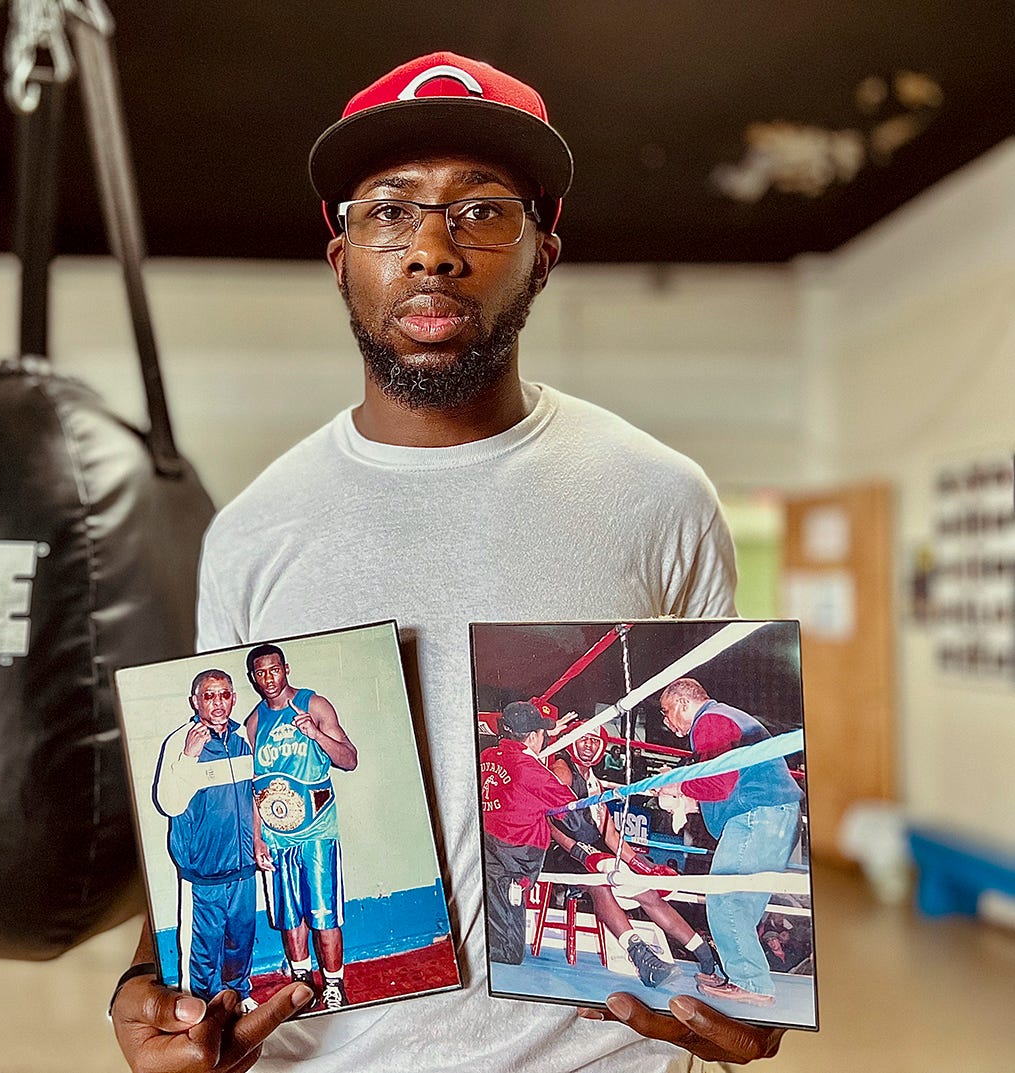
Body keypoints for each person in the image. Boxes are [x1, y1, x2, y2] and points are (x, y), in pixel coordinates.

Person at [111, 50, 785, 1070]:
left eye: (480, 211)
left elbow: (715, 774)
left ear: (543, 254)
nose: (431, 249)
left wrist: (759, 979)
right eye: (389, 211)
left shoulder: (660, 500)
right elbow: (219, 795)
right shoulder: (254, 531)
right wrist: (142, 981)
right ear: (340, 256)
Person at [658, 677, 804, 1007]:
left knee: (726, 897)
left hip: (759, 815)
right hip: (774, 814)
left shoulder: (710, 721)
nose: (666, 722)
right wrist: (684, 801)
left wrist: (677, 784)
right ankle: (740, 975)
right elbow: (727, 787)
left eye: (667, 712)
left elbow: (718, 785)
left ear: (683, 703)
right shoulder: (725, 718)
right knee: (743, 901)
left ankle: (750, 982)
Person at [546, 729, 721, 988]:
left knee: (647, 890)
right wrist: (581, 852)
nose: (589, 745)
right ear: (572, 741)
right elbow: (550, 819)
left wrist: (642, 865)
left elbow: (611, 835)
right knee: (600, 883)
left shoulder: (593, 782)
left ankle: (703, 953)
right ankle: (641, 958)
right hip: (562, 851)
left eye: (595, 741)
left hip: (592, 851)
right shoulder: (562, 769)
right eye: (583, 739)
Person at [244, 643, 358, 1011]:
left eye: (274, 669)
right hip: (276, 837)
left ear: (286, 668)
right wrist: (257, 838)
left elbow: (350, 760)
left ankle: (335, 985)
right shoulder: (254, 723)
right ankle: (302, 984)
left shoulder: (314, 705)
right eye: (261, 673)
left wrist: (316, 735)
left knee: (324, 913)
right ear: (253, 678)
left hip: (317, 831)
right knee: (290, 918)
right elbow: (254, 787)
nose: (268, 678)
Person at [153, 669, 270, 1010]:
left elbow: (254, 795)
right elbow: (169, 803)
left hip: (243, 866)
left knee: (240, 938)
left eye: (224, 695)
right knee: (203, 946)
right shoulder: (180, 741)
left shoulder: (244, 739)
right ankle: (201, 1007)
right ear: (196, 701)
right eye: (209, 696)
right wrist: (189, 757)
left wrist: (258, 841)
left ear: (233, 699)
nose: (218, 703)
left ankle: (238, 994)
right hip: (203, 870)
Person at [479, 701, 575, 965]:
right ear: (533, 736)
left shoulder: (488, 755)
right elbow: (570, 809)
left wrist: (545, 734)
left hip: (488, 844)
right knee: (509, 951)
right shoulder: (530, 769)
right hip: (517, 855)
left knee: (494, 904)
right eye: (541, 734)